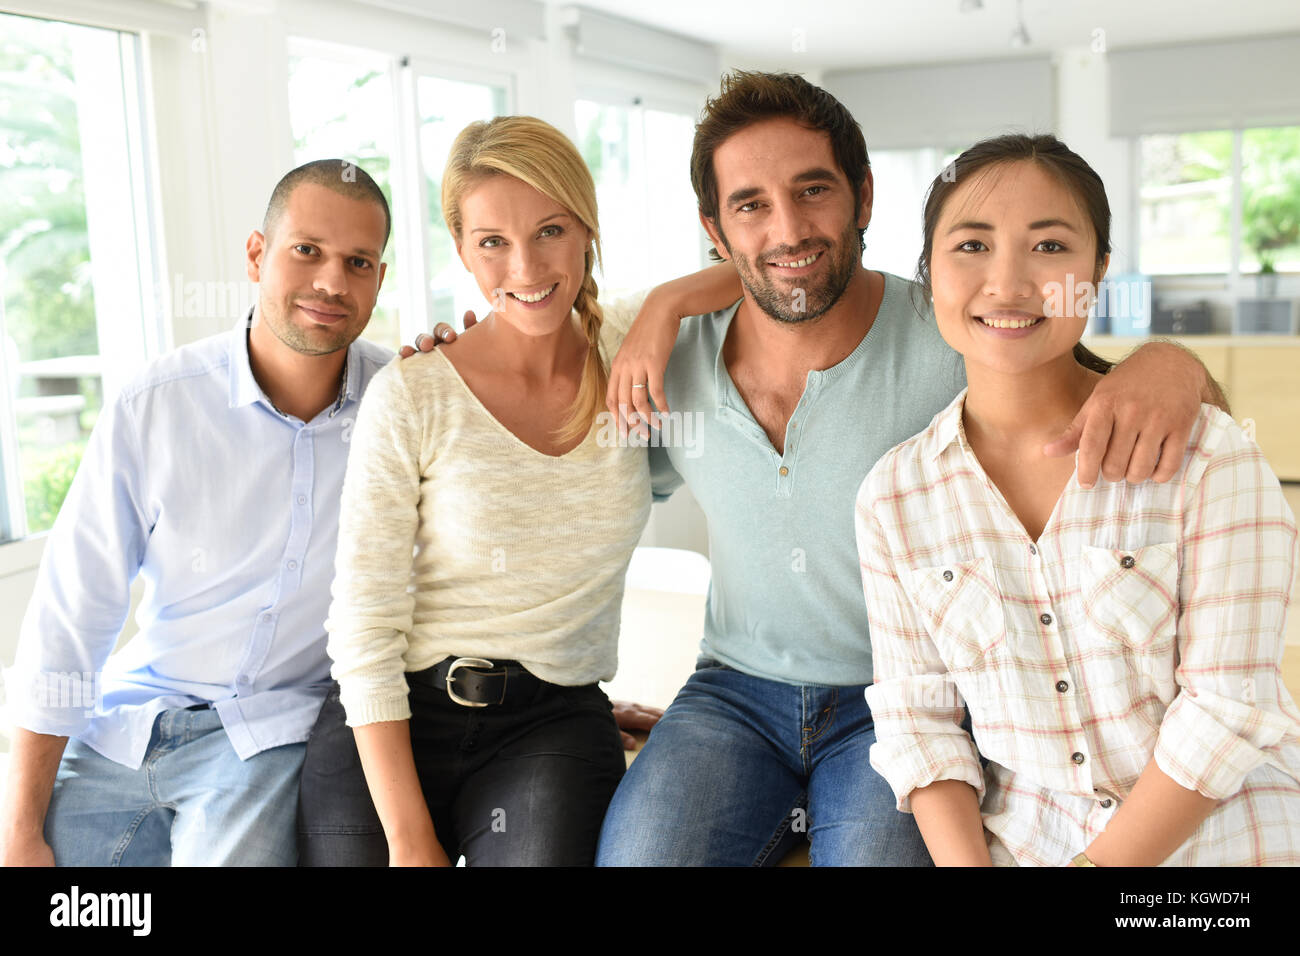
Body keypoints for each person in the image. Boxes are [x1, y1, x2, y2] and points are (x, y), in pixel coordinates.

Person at [595, 71, 1230, 867]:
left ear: (864, 195)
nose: (788, 229)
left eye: (813, 190)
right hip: (732, 693)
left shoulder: (956, 327)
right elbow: (540, 372)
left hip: (913, 703)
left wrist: (1168, 361)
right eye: (750, 205)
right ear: (714, 229)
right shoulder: (668, 362)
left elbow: (1111, 387)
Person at [301, 115, 742, 867]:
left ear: (586, 230)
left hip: (551, 724)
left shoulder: (631, 341)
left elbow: (759, 264)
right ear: (463, 252)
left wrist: (666, 306)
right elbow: (364, 624)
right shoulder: (413, 394)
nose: (526, 268)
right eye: (492, 243)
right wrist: (409, 843)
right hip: (395, 714)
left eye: (551, 230)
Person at [856, 133, 1300, 867]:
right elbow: (919, 724)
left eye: (1050, 247)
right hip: (1026, 844)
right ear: (927, 272)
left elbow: (1228, 710)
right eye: (971, 245)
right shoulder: (894, 497)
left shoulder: (1211, 456)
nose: (1008, 283)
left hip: (1227, 841)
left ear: (1095, 274)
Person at [0, 159, 395, 866]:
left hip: (268, 739)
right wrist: (20, 825)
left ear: (378, 279)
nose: (332, 282)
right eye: (307, 250)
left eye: (357, 261)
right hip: (131, 722)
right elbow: (71, 615)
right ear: (256, 254)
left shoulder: (405, 407)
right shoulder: (155, 404)